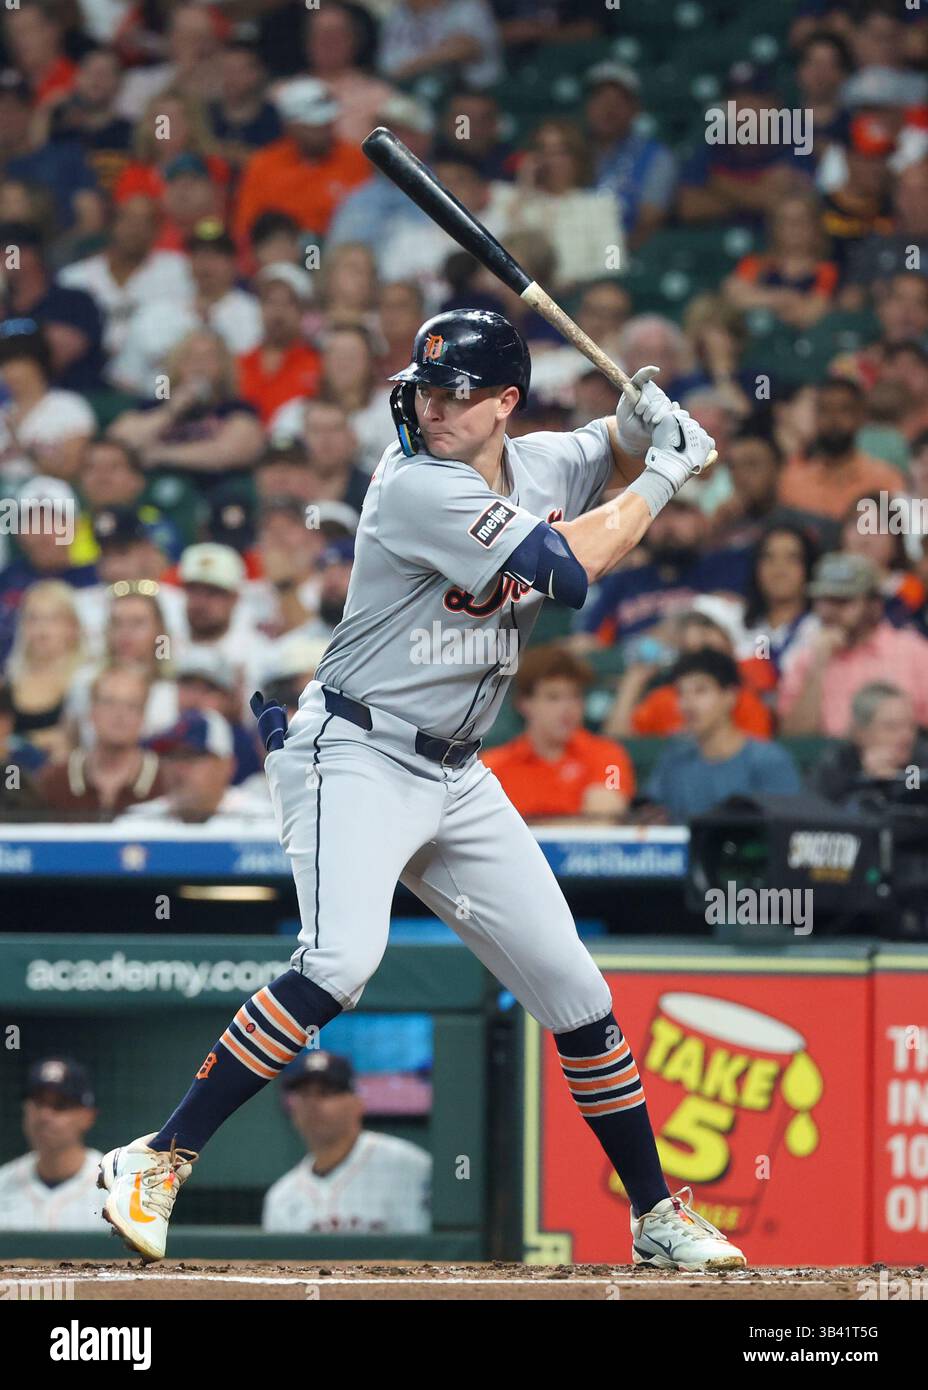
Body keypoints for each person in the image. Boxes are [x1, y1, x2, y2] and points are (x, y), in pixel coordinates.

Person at [97, 306, 748, 1273]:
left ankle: (655, 1214)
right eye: (428, 389)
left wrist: (642, 416)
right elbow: (568, 571)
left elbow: (601, 445)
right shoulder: (413, 483)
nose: (434, 405)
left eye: (459, 394)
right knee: (342, 961)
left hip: (457, 768)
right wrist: (665, 471)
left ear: (504, 405)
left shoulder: (534, 461)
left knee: (578, 992)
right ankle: (158, 1157)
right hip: (355, 749)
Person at [262, 1052, 431, 1235]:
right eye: (303, 1094)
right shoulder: (282, 1197)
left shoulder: (407, 1166)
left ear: (357, 1103)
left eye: (325, 1093)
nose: (312, 1104)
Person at [779, 552, 928, 736]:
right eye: (823, 600)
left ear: (875, 604)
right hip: (830, 762)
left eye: (843, 601)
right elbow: (795, 738)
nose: (830, 611)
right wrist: (818, 667)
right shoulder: (806, 658)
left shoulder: (913, 652)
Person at [483, 645, 636, 823]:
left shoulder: (609, 756)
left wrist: (529, 827)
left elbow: (604, 822)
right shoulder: (491, 767)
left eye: (575, 696)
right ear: (524, 703)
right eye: (553, 697)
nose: (567, 709)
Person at [644, 650, 801, 821]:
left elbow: (787, 828)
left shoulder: (769, 760)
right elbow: (652, 816)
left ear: (729, 696)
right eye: (681, 693)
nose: (688, 704)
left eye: (700, 691)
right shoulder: (674, 758)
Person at [110, 220, 262, 394]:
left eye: (216, 255)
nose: (206, 264)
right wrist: (164, 400)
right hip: (162, 405)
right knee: (163, 373)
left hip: (229, 408)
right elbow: (127, 377)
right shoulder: (158, 313)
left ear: (233, 263)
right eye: (199, 255)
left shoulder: (253, 313)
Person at [108, 328, 264, 484]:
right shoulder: (154, 406)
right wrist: (170, 411)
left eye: (208, 358)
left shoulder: (237, 408)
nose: (198, 366)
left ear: (224, 366)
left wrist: (160, 455)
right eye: (190, 358)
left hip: (213, 490)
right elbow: (118, 443)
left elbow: (232, 452)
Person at [233, 78, 369, 248]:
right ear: (290, 126)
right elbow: (246, 226)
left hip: (339, 251)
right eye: (313, 126)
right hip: (283, 252)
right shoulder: (264, 164)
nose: (323, 132)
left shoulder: (356, 158)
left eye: (327, 124)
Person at [58, 194, 193, 361]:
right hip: (89, 372)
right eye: (128, 220)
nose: (135, 229)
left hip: (155, 373)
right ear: (112, 224)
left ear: (158, 231)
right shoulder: (74, 278)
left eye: (146, 223)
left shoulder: (180, 270)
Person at [506, 118, 624, 290]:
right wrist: (525, 189)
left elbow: (612, 265)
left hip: (580, 294)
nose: (550, 160)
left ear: (577, 158)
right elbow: (502, 254)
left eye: (560, 152)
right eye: (543, 151)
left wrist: (573, 282)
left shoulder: (599, 205)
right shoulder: (513, 200)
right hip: (523, 296)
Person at [38, 664, 164, 817]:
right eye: (109, 703)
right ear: (91, 712)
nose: (120, 714)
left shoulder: (164, 781)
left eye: (132, 706)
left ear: (143, 716)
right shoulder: (55, 782)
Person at [777, 377, 908, 521]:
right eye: (825, 410)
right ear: (815, 416)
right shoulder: (792, 481)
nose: (834, 420)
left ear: (860, 417)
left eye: (843, 410)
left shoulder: (886, 480)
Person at [0, 1058, 102, 1231]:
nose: (45, 1115)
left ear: (88, 1116)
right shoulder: (3, 1184)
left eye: (60, 1105)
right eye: (38, 1103)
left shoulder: (116, 1188)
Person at [121, 707, 271, 822]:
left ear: (227, 765)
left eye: (190, 756)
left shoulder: (264, 820)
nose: (178, 768)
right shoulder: (137, 822)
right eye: (171, 756)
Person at [584, 62, 676, 249]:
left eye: (619, 100)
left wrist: (609, 259)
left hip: (622, 254)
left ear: (635, 109)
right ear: (588, 105)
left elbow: (649, 222)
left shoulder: (656, 156)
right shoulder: (568, 151)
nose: (609, 108)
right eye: (601, 98)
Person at [0, 320, 96, 489]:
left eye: (18, 363)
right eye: (5, 365)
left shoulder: (69, 406)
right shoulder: (3, 412)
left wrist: (21, 445)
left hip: (50, 500)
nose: (10, 372)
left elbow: (70, 470)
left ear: (38, 364)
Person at [723, 192, 839, 330]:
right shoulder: (756, 263)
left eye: (801, 221)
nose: (794, 228)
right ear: (775, 227)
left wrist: (759, 300)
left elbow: (812, 313)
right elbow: (733, 298)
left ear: (815, 226)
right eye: (786, 221)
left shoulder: (826, 271)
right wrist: (784, 298)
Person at [808, 681, 928, 804]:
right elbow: (822, 811)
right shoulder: (838, 763)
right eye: (892, 727)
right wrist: (868, 781)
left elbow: (918, 809)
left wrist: (895, 781)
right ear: (860, 733)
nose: (906, 736)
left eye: (911, 726)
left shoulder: (921, 760)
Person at [3, 579, 84, 757]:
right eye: (33, 618)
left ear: (73, 626)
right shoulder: (8, 681)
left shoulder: (86, 680)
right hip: (13, 778)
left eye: (53, 619)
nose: (42, 629)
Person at [236, 264, 321, 425]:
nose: (278, 312)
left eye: (288, 303)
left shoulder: (318, 363)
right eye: (270, 302)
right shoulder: (239, 364)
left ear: (302, 311)